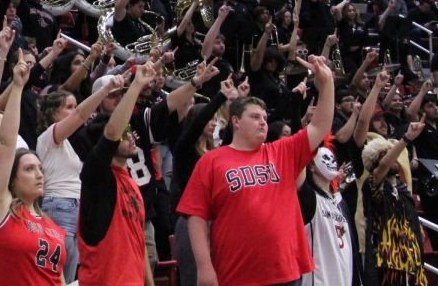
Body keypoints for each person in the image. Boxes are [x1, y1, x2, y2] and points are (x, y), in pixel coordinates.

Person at [178, 55, 336, 286]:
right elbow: (195, 216)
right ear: (236, 122)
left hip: (286, 271)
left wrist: (328, 82)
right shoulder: (212, 161)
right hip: (236, 274)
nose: (263, 122)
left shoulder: (282, 150)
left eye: (264, 117)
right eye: (254, 117)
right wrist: (204, 267)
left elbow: (320, 126)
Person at [0, 58, 67, 284]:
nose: (38, 174)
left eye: (39, 169)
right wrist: (17, 87)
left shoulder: (52, 225)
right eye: (28, 169)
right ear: (11, 179)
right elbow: (6, 143)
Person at [37, 76, 125, 282]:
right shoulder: (49, 136)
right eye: (68, 107)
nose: (74, 110)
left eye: (74, 106)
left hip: (75, 208)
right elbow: (81, 114)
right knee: (57, 277)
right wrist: (104, 92)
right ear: (53, 113)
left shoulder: (70, 143)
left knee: (69, 278)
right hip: (59, 206)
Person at [76, 60, 156, 286]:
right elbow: (111, 133)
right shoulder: (96, 176)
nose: (129, 137)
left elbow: (138, 243)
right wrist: (135, 86)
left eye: (129, 132)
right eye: (124, 133)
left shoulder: (131, 184)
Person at [361, 123, 428, 286]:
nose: (394, 157)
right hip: (389, 261)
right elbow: (384, 165)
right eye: (387, 154)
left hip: (412, 260)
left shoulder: (401, 188)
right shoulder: (372, 185)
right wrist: (406, 138)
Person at [298, 143, 356, 286]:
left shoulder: (340, 202)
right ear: (311, 166)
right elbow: (297, 158)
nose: (331, 162)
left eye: (332, 158)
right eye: (325, 158)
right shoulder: (309, 198)